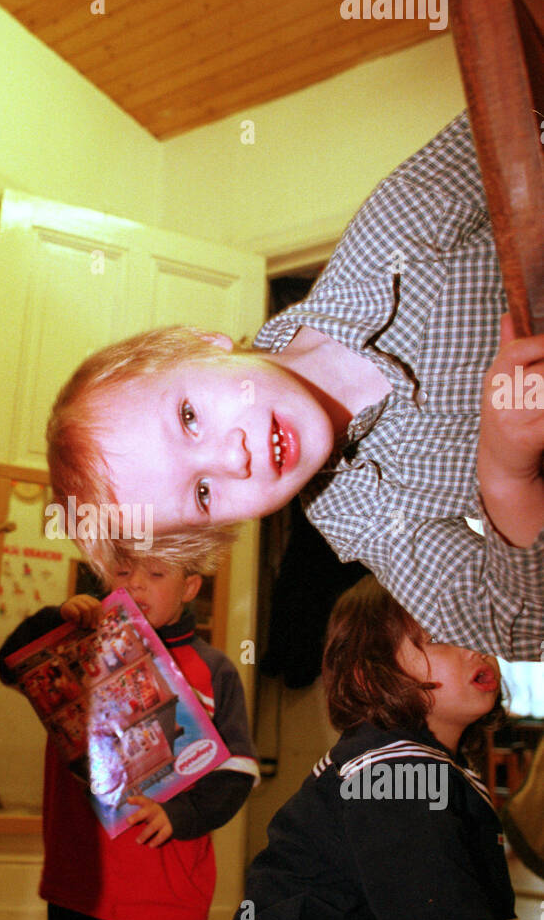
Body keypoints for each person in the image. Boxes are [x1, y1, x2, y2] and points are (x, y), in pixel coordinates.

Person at [45, 115, 544, 665]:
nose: (233, 457)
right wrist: (507, 478)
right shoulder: (358, 514)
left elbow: (519, 114)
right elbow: (519, 627)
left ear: (202, 345)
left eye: (189, 417)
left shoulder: (389, 243)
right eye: (204, 493)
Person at [95, 579, 544, 920]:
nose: (473, 649)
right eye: (440, 638)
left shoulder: (449, 774)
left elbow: (483, 912)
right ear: (370, 675)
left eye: (473, 632)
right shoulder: (391, 768)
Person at [0, 557, 258, 920]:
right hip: (80, 893)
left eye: (156, 574)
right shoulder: (78, 643)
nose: (135, 584)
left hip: (167, 902)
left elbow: (237, 774)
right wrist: (57, 621)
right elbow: (13, 664)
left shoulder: (215, 670)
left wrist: (180, 817)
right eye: (121, 572)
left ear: (191, 587)